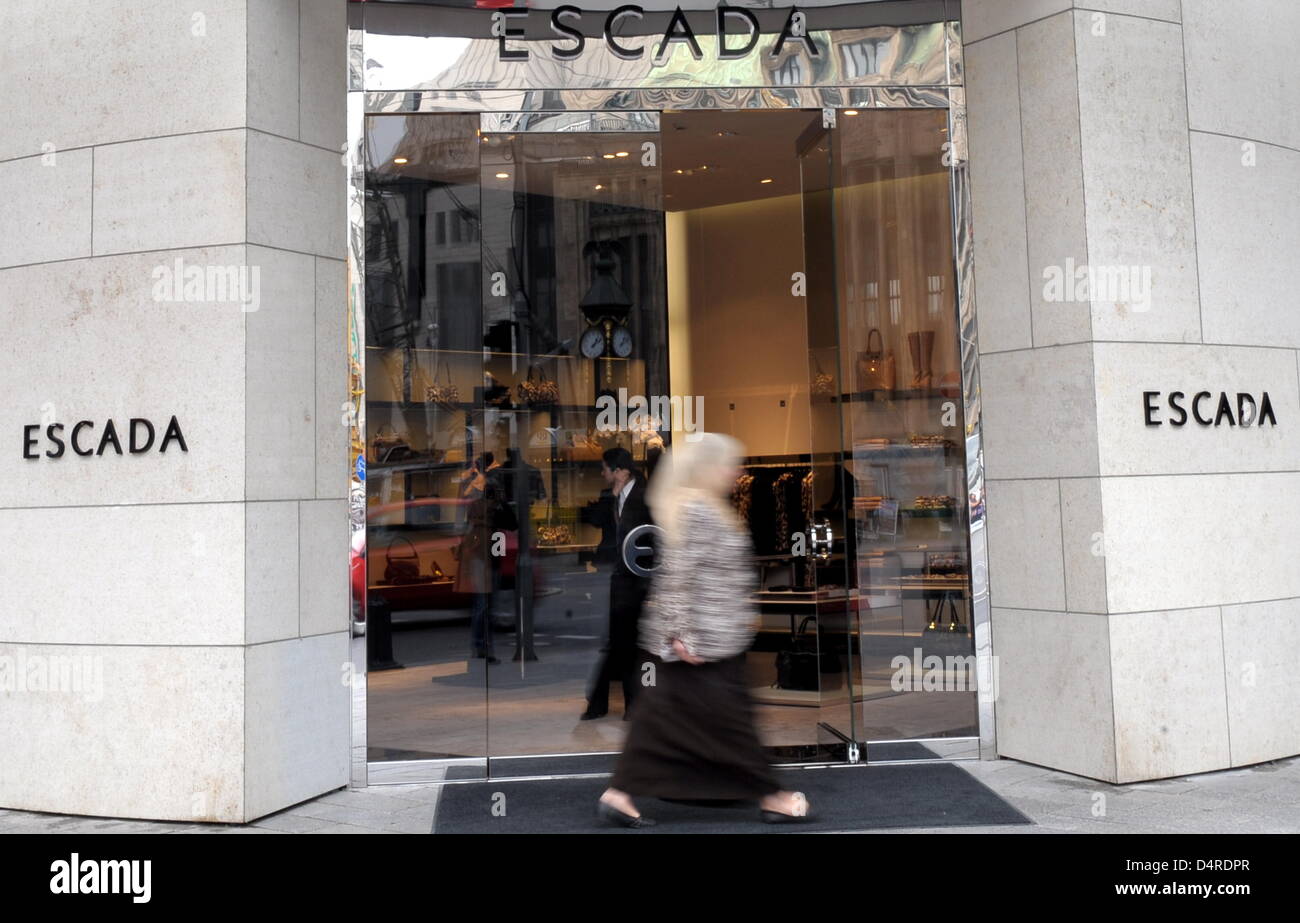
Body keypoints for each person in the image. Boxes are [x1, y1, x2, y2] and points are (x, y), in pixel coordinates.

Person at [596, 433, 813, 827]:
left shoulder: (702, 505)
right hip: (703, 640)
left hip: (709, 636)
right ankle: (772, 796)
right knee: (731, 720)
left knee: (665, 720)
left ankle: (619, 793)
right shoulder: (698, 509)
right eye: (730, 464)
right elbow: (678, 574)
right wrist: (681, 635)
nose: (738, 471)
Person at [582, 447, 654, 721]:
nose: (602, 474)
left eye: (605, 469)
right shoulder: (610, 496)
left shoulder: (646, 494)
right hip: (612, 577)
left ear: (620, 471)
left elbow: (655, 537)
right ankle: (607, 703)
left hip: (635, 581)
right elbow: (594, 521)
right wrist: (611, 500)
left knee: (625, 643)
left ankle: (625, 704)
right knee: (615, 641)